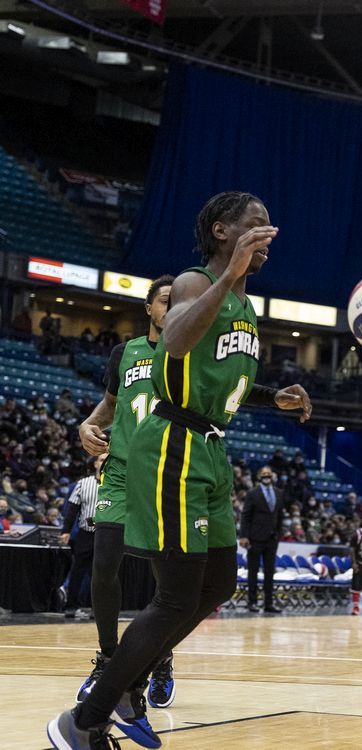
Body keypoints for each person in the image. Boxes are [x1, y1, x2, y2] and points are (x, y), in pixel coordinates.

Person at [47, 191, 312, 750]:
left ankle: (124, 683)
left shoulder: (244, 304)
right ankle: (86, 718)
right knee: (175, 595)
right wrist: (230, 274)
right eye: (254, 225)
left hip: (210, 448)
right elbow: (176, 339)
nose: (267, 234)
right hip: (173, 445)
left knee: (218, 583)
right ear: (222, 230)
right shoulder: (196, 284)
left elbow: (217, 382)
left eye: (269, 225)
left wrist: (273, 398)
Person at [75, 274, 177, 709]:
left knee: (167, 579)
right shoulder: (125, 352)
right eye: (165, 301)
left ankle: (162, 659)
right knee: (103, 566)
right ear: (149, 308)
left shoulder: (189, 352)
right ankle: (107, 657)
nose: (172, 308)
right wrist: (87, 424)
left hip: (166, 475)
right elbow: (111, 403)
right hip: (118, 472)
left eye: (180, 302)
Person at [60, 456, 102, 619]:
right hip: (86, 533)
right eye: (100, 459)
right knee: (78, 570)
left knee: (102, 573)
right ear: (94, 463)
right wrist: (66, 531)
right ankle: (71, 606)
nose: (104, 462)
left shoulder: (118, 484)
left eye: (107, 459)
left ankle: (97, 608)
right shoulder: (83, 483)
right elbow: (71, 510)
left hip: (107, 535)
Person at [238, 466, 284, 613]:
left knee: (270, 572)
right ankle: (252, 602)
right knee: (253, 571)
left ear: (272, 476)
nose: (266, 476)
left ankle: (268, 604)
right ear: (259, 476)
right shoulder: (253, 493)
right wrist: (244, 536)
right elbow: (245, 516)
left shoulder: (279, 493)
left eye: (268, 474)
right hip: (255, 538)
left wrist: (279, 533)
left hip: (272, 538)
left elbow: (280, 515)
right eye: (263, 474)